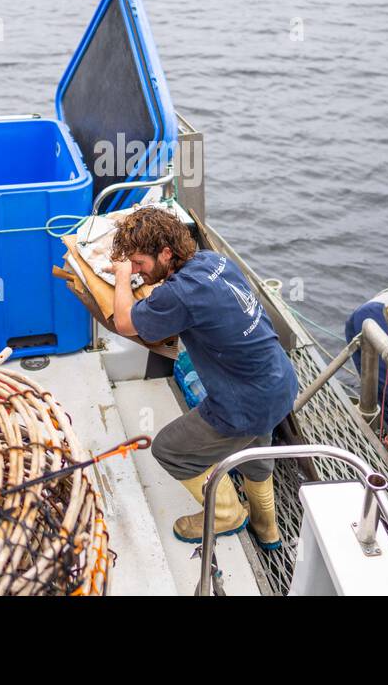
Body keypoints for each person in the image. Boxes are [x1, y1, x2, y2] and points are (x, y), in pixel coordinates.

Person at [110, 207, 297, 548]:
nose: (137, 270)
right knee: (256, 454)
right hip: (280, 380)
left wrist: (122, 278)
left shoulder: (179, 294)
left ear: (166, 253)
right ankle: (268, 528)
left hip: (244, 405)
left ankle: (227, 514)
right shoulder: (215, 261)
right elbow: (188, 300)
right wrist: (145, 276)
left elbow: (124, 323)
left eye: (139, 263)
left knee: (169, 450)